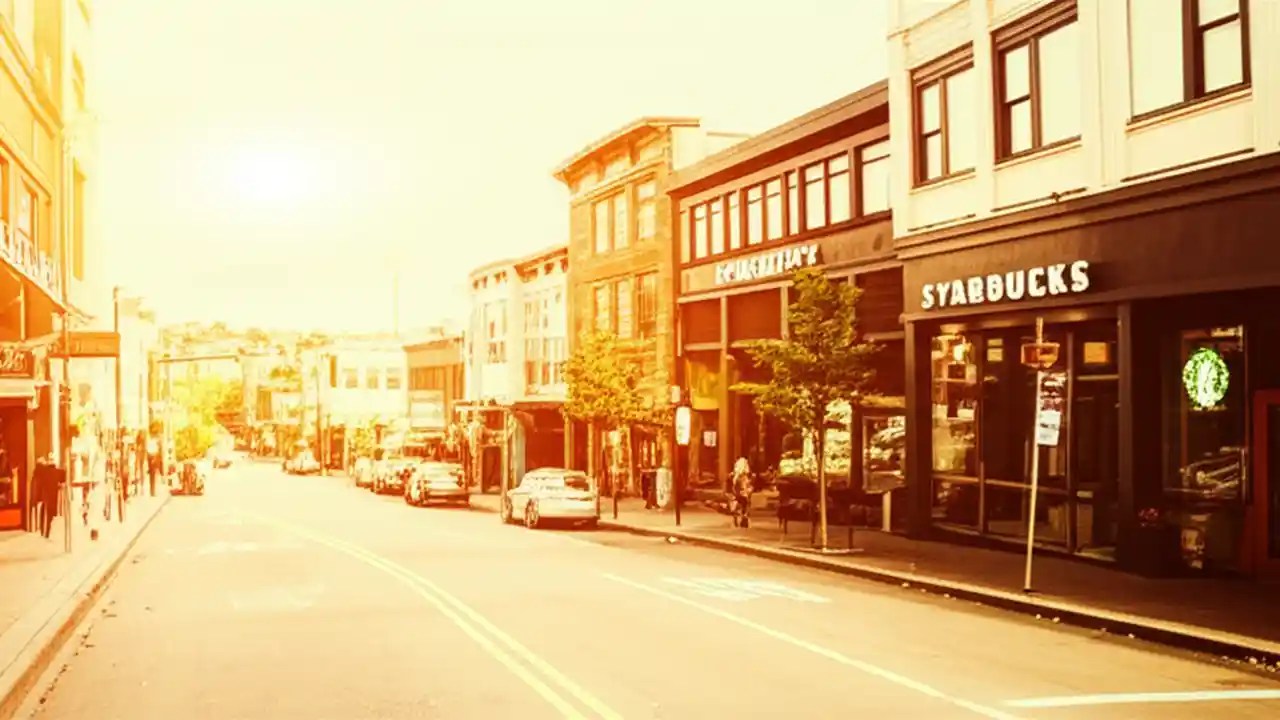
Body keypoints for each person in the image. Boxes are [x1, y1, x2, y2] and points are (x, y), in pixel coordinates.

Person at [731, 456, 753, 529]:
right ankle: (743, 518)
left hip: (738, 494)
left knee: (740, 504)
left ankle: (738, 518)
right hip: (743, 494)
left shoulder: (736, 477)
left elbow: (734, 487)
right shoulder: (743, 477)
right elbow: (746, 487)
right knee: (745, 504)